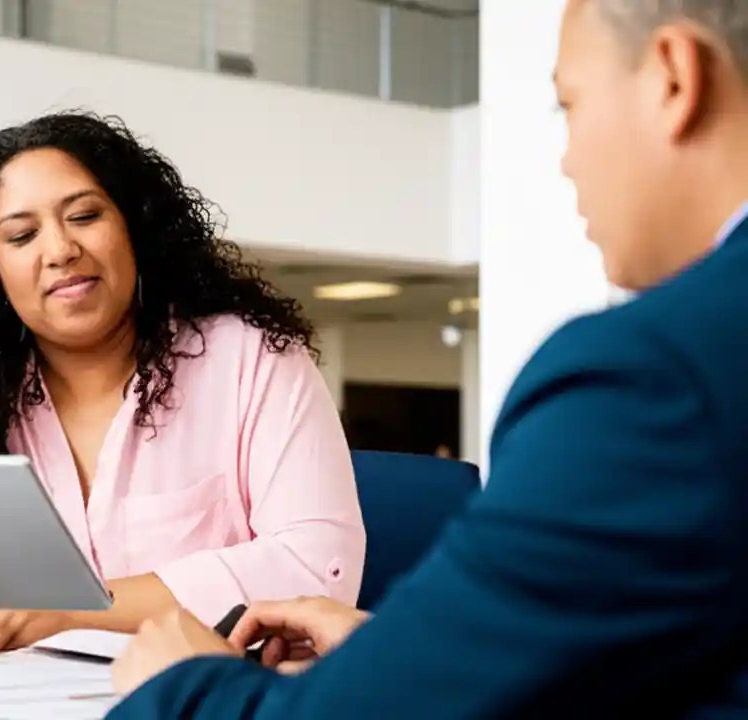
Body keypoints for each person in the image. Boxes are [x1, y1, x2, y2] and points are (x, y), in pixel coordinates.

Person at [108, 1, 748, 716]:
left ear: (672, 77)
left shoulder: (652, 379)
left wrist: (180, 686)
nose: (566, 161)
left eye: (568, 106)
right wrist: (406, 650)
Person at [0, 112, 365, 654]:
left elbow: (317, 566)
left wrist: (75, 609)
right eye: (22, 235)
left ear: (136, 225)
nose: (60, 250)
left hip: (205, 689)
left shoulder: (252, 357)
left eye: (85, 216)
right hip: (3, 691)